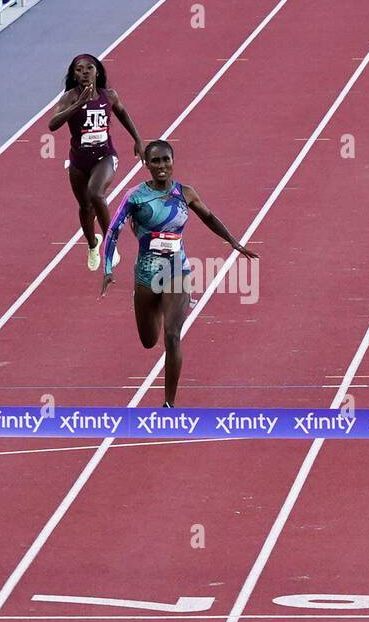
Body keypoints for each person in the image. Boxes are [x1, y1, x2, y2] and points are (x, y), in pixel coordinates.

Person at [99, 140, 258, 407]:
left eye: (166, 160)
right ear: (147, 164)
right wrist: (107, 268)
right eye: (156, 161)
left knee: (172, 335)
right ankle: (156, 306)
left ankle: (169, 404)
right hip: (146, 274)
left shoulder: (185, 193)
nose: (161, 166)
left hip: (177, 271)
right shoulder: (135, 196)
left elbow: (208, 217)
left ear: (173, 161)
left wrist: (233, 242)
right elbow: (113, 230)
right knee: (149, 341)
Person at [47, 53, 144, 271]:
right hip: (79, 160)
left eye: (89, 68)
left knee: (96, 193)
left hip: (105, 156)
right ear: (74, 74)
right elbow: (52, 124)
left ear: (97, 71)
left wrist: (138, 139)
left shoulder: (109, 95)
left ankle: (110, 243)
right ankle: (93, 245)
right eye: (79, 69)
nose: (84, 73)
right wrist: (78, 104)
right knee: (85, 207)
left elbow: (124, 115)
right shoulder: (70, 97)